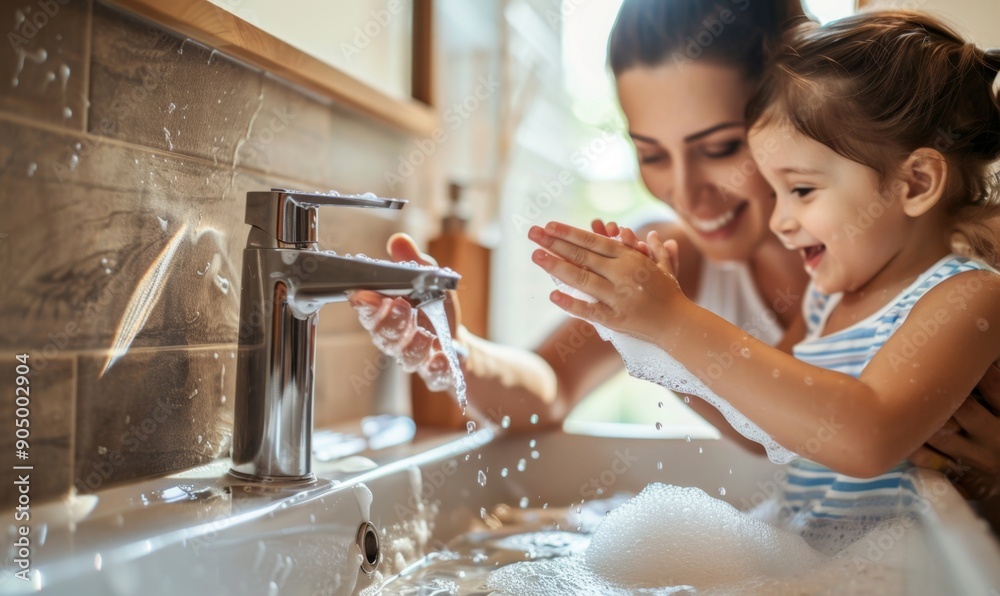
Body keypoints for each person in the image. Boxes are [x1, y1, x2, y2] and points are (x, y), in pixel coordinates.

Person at [348, 0, 1000, 501]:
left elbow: (859, 432)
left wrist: (673, 325)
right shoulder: (722, 271)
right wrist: (457, 350)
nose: (687, 194)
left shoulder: (952, 280)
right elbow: (552, 392)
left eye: (719, 147)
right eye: (651, 154)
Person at [527, 9, 1000, 541]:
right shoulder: (829, 296)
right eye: (774, 192)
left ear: (914, 183)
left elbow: (866, 435)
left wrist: (676, 321)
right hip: (810, 560)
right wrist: (653, 344)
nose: (779, 219)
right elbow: (769, 423)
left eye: (800, 190)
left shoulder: (969, 296)